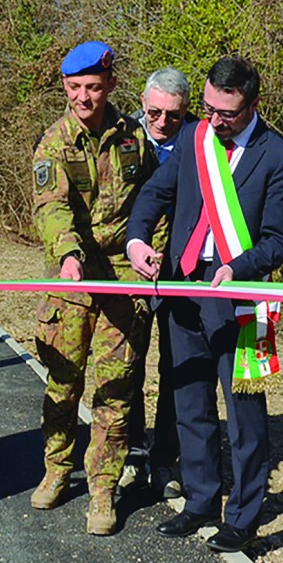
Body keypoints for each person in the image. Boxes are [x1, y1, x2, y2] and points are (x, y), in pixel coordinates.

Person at [127, 56, 283, 553]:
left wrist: (236, 267)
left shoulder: (277, 156)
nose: (215, 121)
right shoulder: (194, 139)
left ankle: (243, 517)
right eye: (208, 109)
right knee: (189, 401)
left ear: (253, 106)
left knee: (244, 413)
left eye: (227, 113)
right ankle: (200, 501)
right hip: (185, 287)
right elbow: (154, 196)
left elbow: (275, 241)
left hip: (240, 296)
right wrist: (138, 241)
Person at [29, 41, 155, 536]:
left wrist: (151, 251)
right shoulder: (52, 144)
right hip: (70, 277)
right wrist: (67, 253)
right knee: (63, 383)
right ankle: (57, 469)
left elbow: (153, 201)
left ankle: (102, 489)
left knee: (115, 387)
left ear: (111, 87)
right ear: (65, 87)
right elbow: (50, 206)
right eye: (76, 87)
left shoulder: (133, 139)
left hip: (122, 277)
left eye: (94, 88)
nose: (84, 97)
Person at [123, 67, 195, 498]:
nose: (163, 122)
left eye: (173, 115)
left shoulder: (200, 143)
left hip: (181, 274)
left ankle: (166, 458)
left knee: (178, 369)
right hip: (128, 270)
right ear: (143, 103)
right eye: (155, 112)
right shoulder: (122, 138)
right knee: (127, 363)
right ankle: (131, 452)